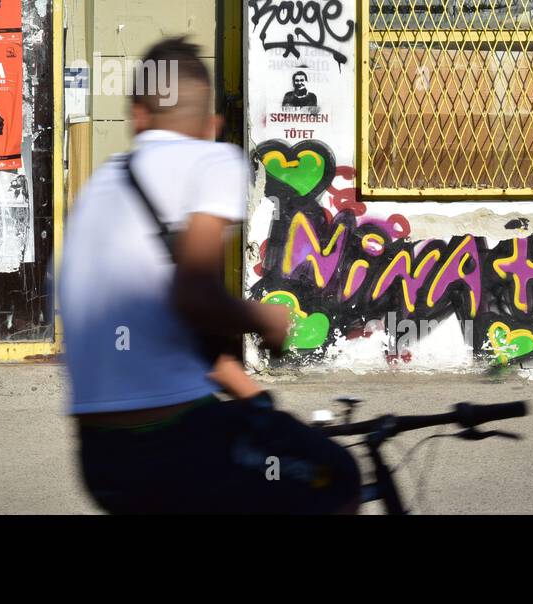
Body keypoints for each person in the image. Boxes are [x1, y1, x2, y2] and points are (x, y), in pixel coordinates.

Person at [57, 36, 361, 514]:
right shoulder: (215, 159)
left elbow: (167, 331)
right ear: (213, 124)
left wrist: (252, 396)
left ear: (138, 114)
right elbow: (195, 297)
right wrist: (266, 320)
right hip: (176, 444)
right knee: (336, 476)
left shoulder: (100, 187)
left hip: (101, 458)